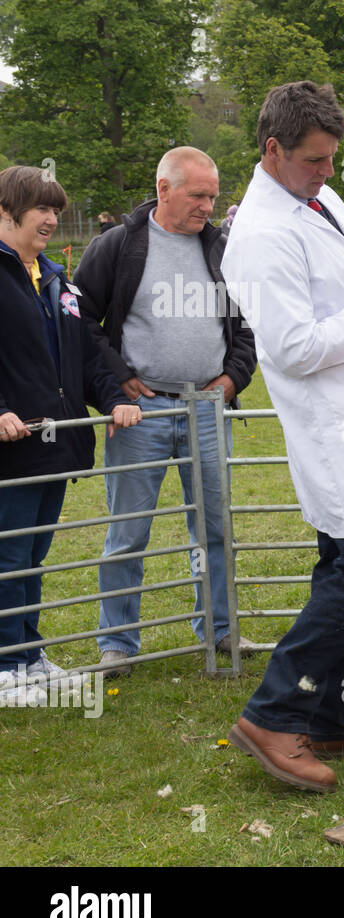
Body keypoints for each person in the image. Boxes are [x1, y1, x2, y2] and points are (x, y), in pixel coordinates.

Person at [221, 80, 344, 793]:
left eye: (335, 158)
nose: (330, 172)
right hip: (335, 430)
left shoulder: (319, 199)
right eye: (315, 159)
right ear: (273, 150)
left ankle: (339, 713)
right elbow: (292, 348)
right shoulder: (261, 236)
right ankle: (276, 711)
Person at [76, 146, 257, 678]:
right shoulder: (117, 246)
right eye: (198, 195)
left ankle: (221, 629)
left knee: (215, 527)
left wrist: (231, 379)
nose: (208, 205)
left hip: (207, 408)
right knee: (128, 530)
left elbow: (250, 323)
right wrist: (115, 381)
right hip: (140, 413)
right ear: (164, 189)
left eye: (213, 196)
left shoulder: (224, 249)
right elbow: (80, 318)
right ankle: (117, 643)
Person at [0, 166, 141, 702]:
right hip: (9, 446)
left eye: (56, 209)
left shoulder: (57, 278)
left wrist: (115, 399)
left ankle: (29, 655)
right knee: (8, 557)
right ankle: (5, 666)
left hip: (52, 444)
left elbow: (87, 355)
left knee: (32, 555)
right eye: (42, 208)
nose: (52, 219)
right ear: (6, 210)